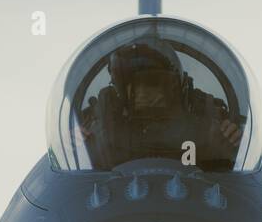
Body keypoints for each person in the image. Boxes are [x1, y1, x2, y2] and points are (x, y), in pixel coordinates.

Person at [79, 39, 243, 170]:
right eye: (135, 84)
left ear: (174, 85)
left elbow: (231, 163)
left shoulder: (206, 122)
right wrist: (73, 142)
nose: (143, 91)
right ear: (123, 91)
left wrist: (234, 140)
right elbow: (78, 163)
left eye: (153, 82)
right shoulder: (103, 126)